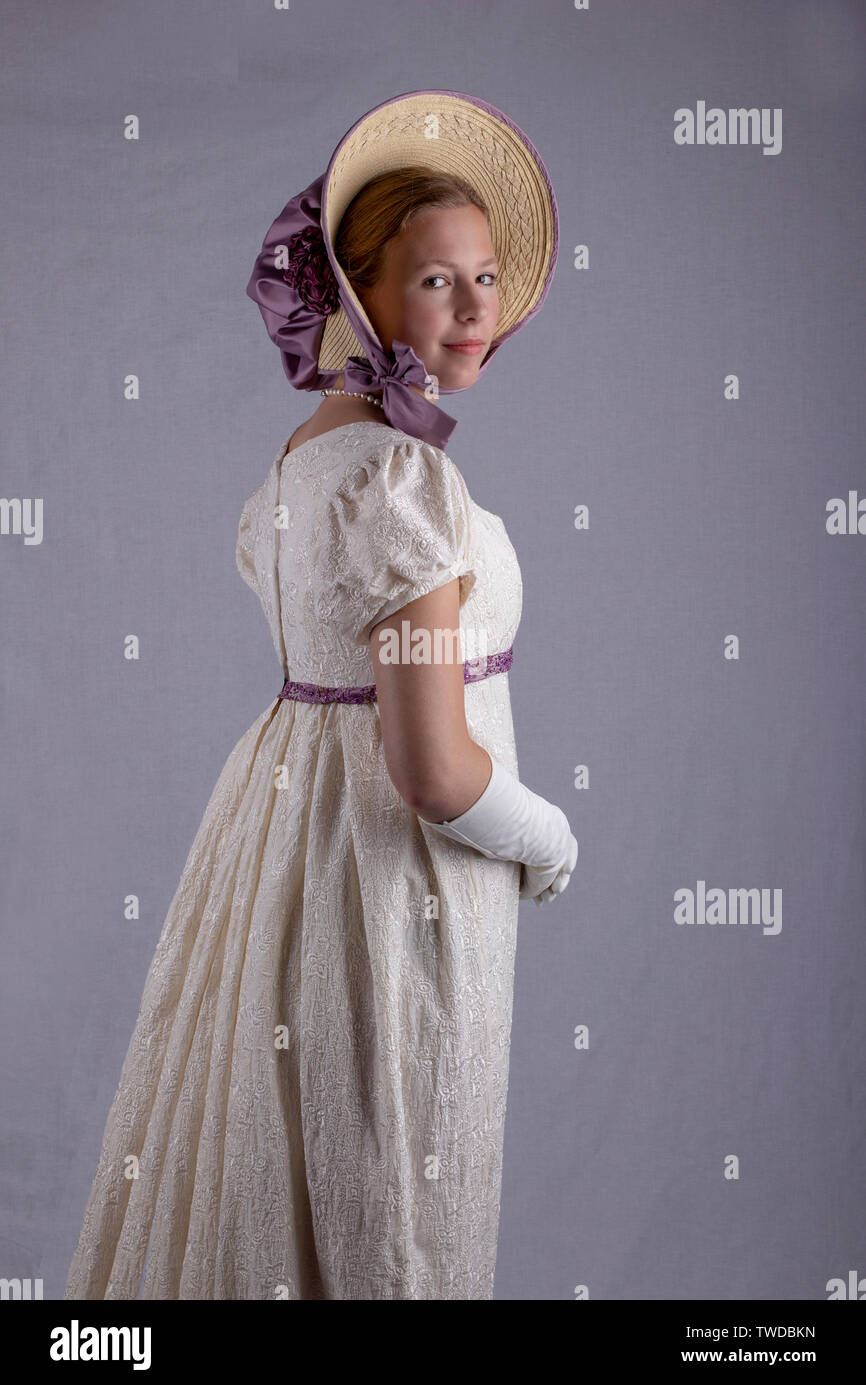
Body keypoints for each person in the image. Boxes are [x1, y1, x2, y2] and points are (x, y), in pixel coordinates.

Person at [63, 91, 577, 1301]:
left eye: (485, 277)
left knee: (299, 1152)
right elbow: (430, 766)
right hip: (394, 885)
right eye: (435, 281)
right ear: (358, 296)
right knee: (397, 1182)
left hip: (287, 842)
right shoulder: (403, 481)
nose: (472, 310)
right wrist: (545, 836)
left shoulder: (303, 461)